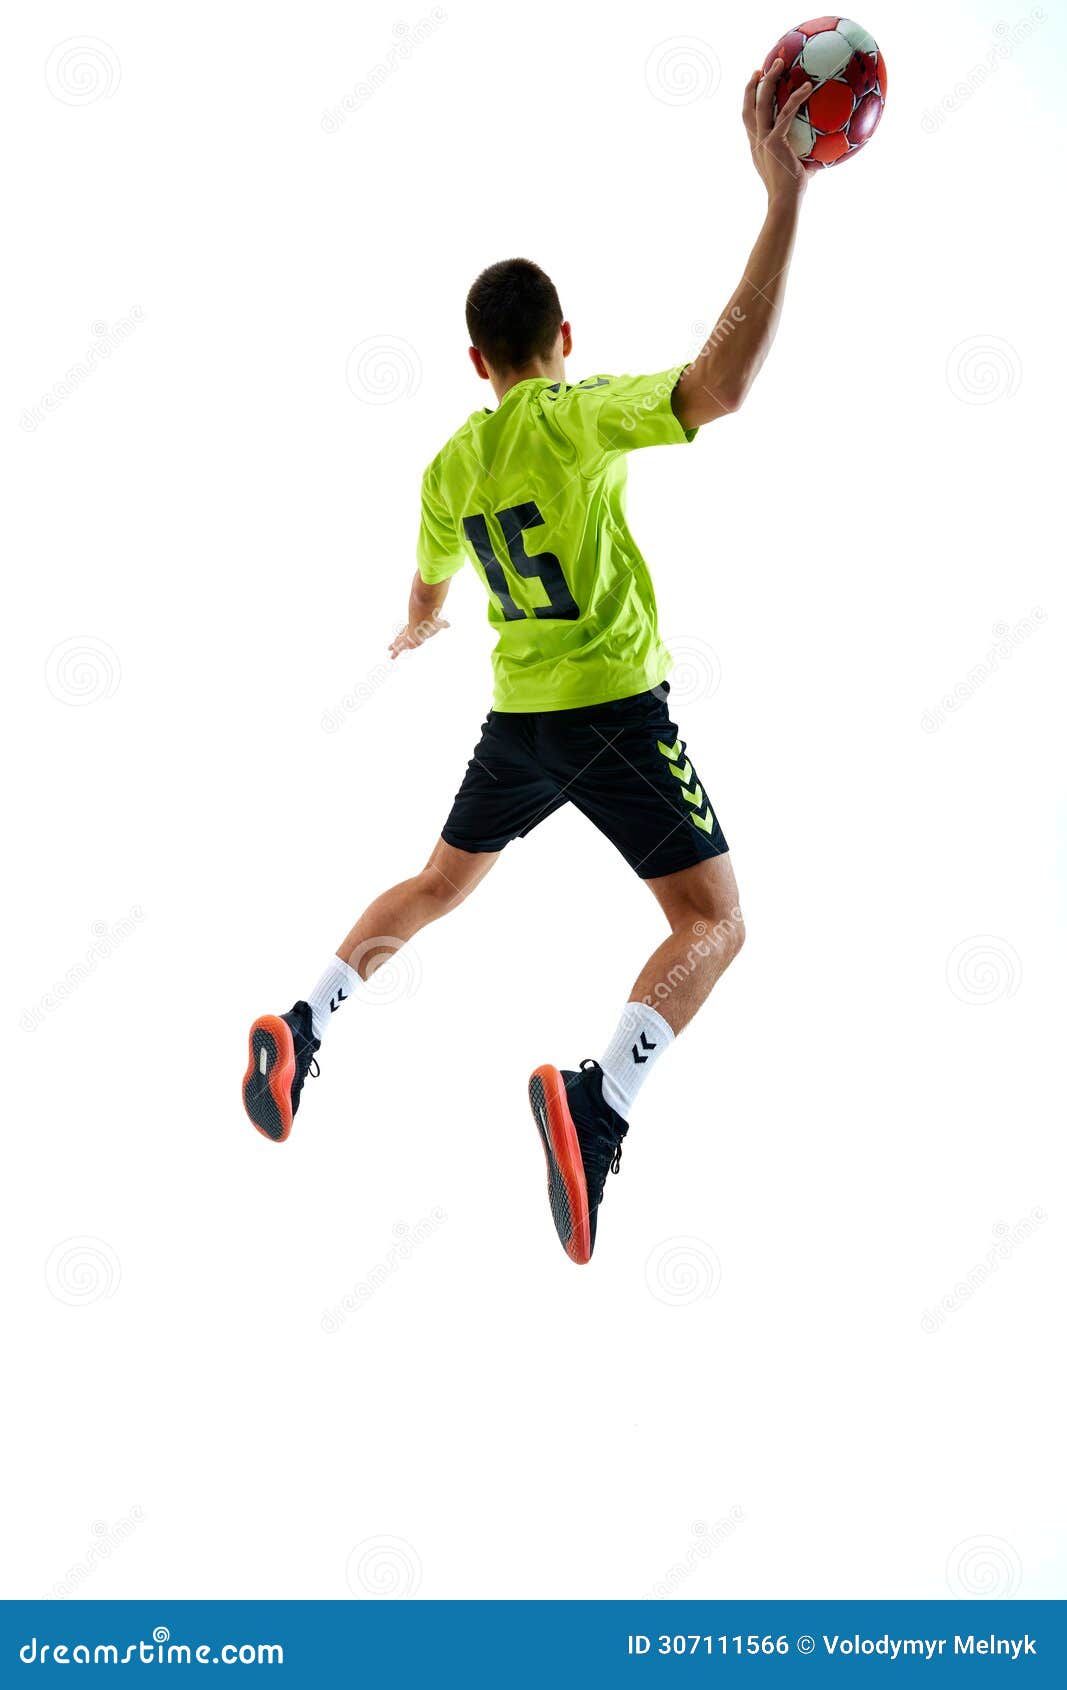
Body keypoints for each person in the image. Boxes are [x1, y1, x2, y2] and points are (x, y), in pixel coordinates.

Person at [242, 62, 813, 1263]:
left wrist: (416, 624)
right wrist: (781, 201)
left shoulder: (450, 463)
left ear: (473, 362)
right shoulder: (575, 411)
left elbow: (427, 577)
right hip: (611, 711)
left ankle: (304, 1020)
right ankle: (596, 1099)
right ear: (561, 340)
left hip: (518, 723)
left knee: (437, 887)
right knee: (714, 920)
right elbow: (719, 386)